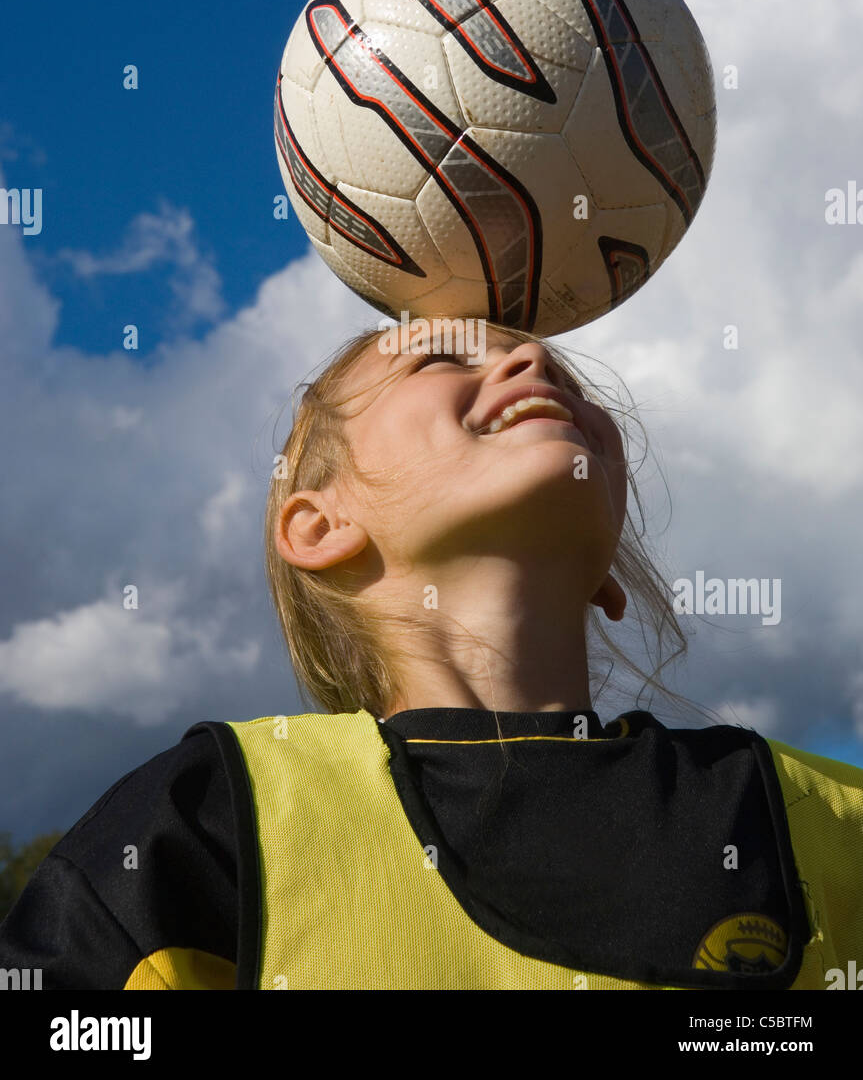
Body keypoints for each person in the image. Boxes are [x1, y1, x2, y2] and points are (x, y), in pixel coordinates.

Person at [0, 321, 860, 990]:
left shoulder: (819, 819)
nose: (532, 370)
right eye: (439, 359)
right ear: (319, 524)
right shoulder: (208, 823)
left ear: (607, 577)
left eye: (558, 373)